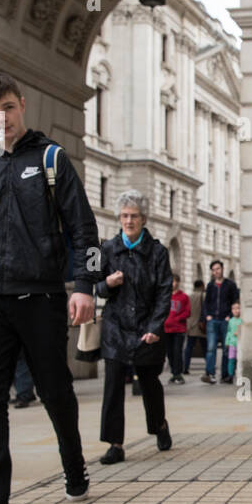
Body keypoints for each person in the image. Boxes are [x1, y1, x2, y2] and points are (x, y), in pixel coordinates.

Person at [0, 71, 99, 504]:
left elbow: (83, 228)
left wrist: (84, 286)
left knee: (55, 390)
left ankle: (74, 467)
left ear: (22, 105)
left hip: (41, 296)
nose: (2, 118)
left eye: (8, 108)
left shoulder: (52, 158)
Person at [95, 190, 173, 464]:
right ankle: (115, 444)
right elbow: (95, 287)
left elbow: (165, 292)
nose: (129, 221)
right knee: (113, 385)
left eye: (134, 216)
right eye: (125, 216)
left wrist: (154, 327)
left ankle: (159, 425)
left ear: (144, 219)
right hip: (116, 329)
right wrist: (107, 284)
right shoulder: (106, 249)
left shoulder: (158, 252)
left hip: (146, 329)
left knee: (149, 383)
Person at [201, 259, 239, 384]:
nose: (216, 271)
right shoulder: (210, 285)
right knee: (211, 348)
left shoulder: (230, 285)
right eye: (213, 270)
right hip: (212, 320)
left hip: (225, 320)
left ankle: (225, 375)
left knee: (225, 348)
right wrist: (207, 316)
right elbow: (206, 303)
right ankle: (210, 373)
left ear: (222, 269)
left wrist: (229, 315)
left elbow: (235, 301)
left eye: (218, 269)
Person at [164, 275, 191, 384]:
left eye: (174, 281)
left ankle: (178, 374)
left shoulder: (184, 297)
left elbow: (187, 312)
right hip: (166, 329)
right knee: (169, 352)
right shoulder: (165, 296)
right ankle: (173, 373)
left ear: (178, 282)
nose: (172, 284)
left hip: (179, 329)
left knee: (177, 351)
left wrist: (178, 318)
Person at [184, 279, 206, 375]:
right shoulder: (204, 296)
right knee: (205, 347)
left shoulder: (189, 296)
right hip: (201, 325)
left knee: (189, 347)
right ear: (202, 286)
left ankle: (185, 367)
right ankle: (209, 367)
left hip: (190, 325)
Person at [223, 301, 243, 382]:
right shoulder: (231, 321)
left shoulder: (242, 320)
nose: (236, 310)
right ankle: (230, 375)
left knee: (239, 360)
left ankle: (240, 375)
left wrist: (239, 332)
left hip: (240, 344)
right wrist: (227, 342)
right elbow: (229, 332)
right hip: (232, 344)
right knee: (231, 360)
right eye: (234, 309)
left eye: (238, 308)